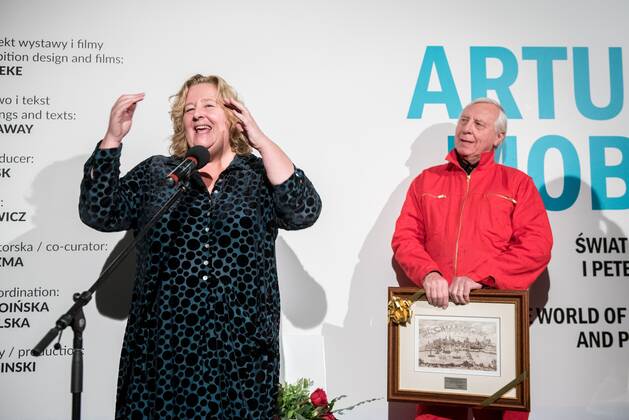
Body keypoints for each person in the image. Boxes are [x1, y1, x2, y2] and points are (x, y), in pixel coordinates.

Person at [79, 74, 322, 419]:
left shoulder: (258, 175)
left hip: (242, 359)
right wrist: (112, 139)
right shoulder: (159, 174)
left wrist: (260, 141)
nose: (197, 114)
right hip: (162, 360)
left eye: (209, 105)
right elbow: (98, 212)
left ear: (232, 117)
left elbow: (304, 210)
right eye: (188, 109)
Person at [391, 98, 552, 420]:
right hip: (438, 316)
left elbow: (537, 245)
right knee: (434, 414)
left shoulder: (517, 184)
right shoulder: (426, 181)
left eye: (479, 124)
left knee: (502, 413)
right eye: (464, 120)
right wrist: (429, 274)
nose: (467, 129)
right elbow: (405, 238)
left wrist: (484, 278)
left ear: (498, 137)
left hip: (496, 320)